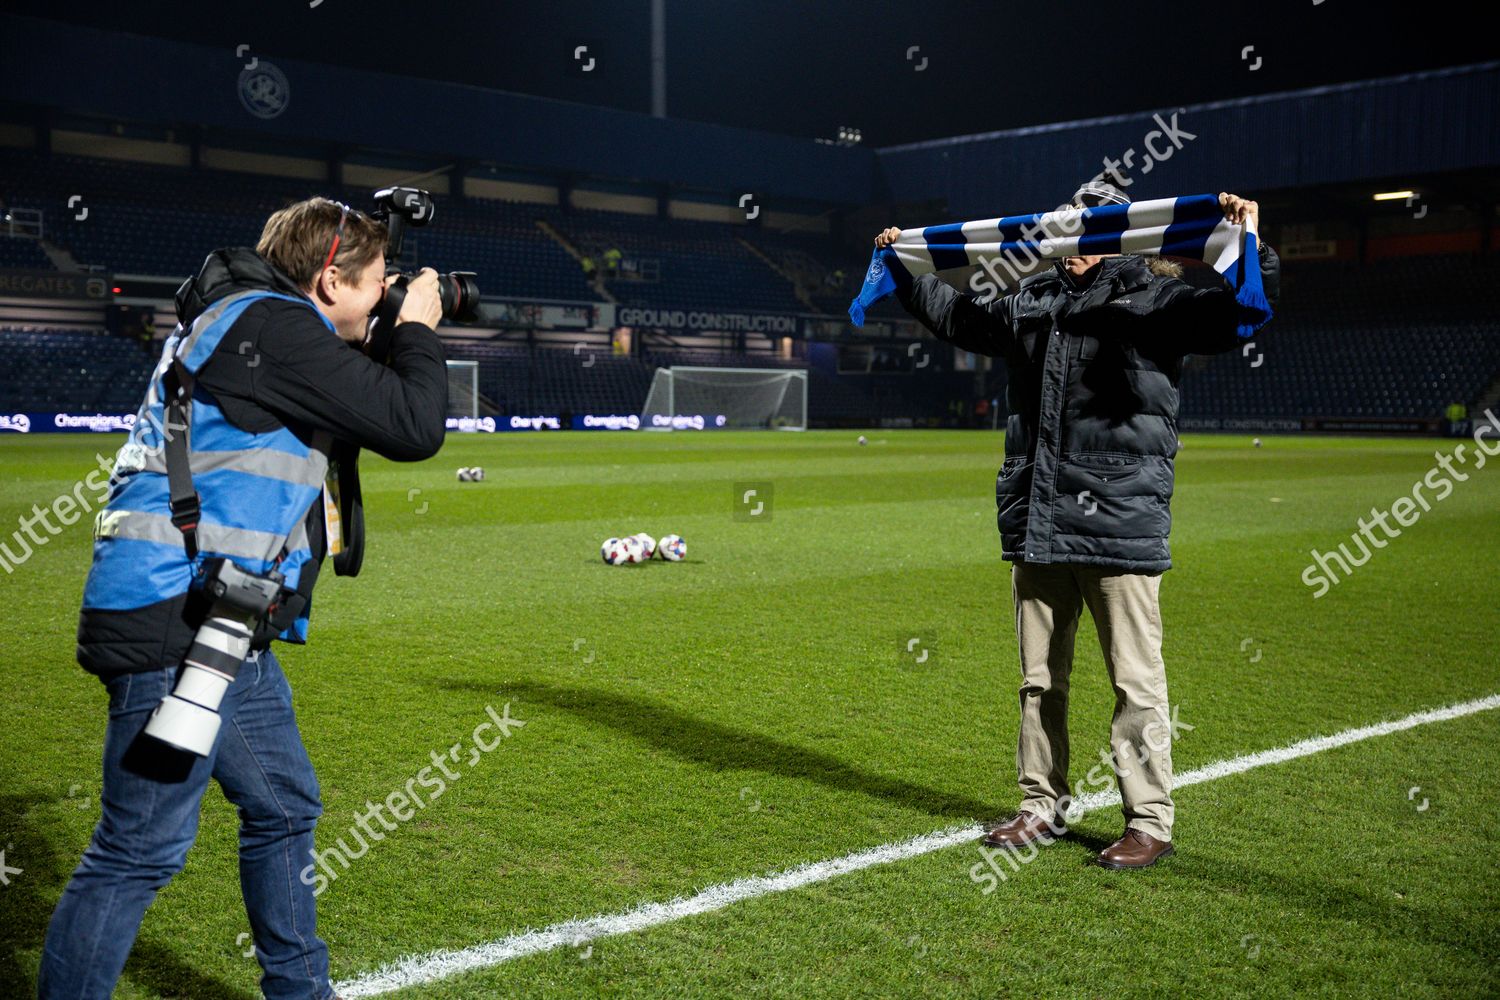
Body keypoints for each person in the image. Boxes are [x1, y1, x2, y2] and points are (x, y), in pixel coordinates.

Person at [40, 197, 449, 999]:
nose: (386, 300)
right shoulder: (273, 325)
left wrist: (389, 323)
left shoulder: (258, 320)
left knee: (284, 802)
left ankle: (301, 992)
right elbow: (412, 423)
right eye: (376, 286)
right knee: (139, 848)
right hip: (172, 617)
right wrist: (421, 331)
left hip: (224, 617)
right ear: (329, 278)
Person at [877, 182, 1280, 868]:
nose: (1078, 235)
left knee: (1135, 683)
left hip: (1118, 520)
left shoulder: (1154, 295)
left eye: (1094, 222)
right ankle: (1041, 806)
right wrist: (905, 271)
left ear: (1120, 230)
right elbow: (966, 320)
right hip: (1039, 516)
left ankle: (1149, 821)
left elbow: (1233, 316)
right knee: (1039, 680)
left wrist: (1252, 247)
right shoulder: (1033, 297)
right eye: (1071, 221)